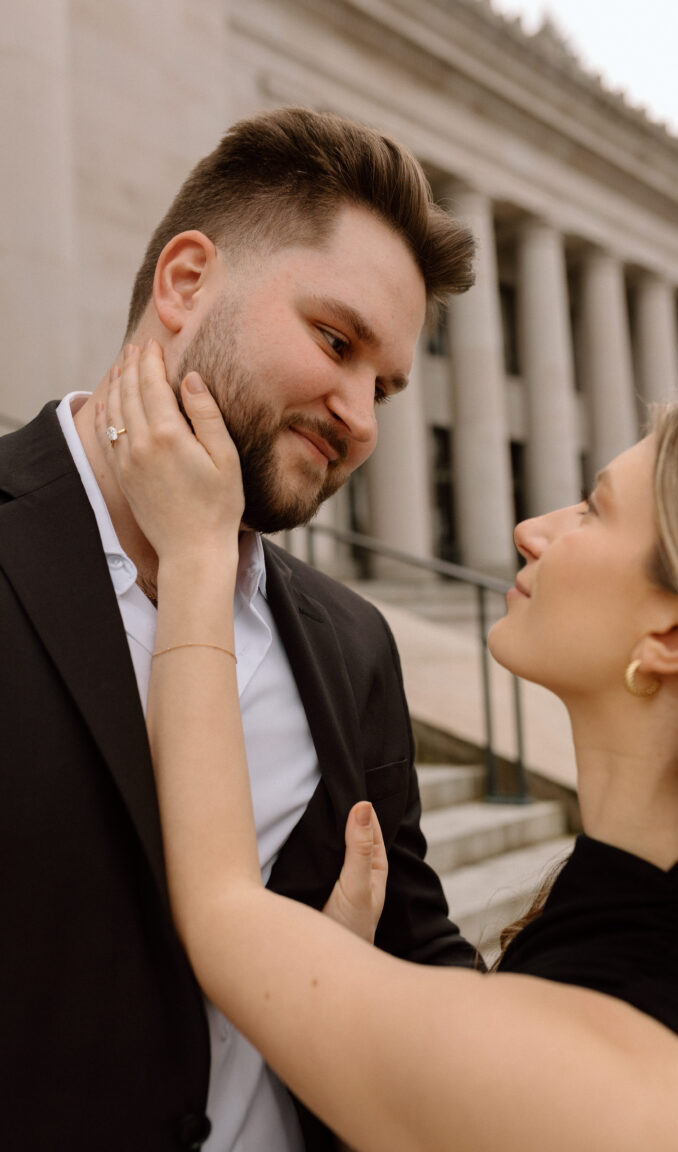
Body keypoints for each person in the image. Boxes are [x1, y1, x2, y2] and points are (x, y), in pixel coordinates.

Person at [104, 346, 678, 1152]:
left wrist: (198, 553)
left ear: (672, 633)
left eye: (593, 511)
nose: (529, 531)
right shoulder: (662, 931)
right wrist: (343, 967)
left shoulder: (616, 1072)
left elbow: (220, 906)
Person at [0, 108, 480, 1151]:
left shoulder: (351, 644)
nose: (360, 416)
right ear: (185, 283)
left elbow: (417, 947)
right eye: (335, 340)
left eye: (385, 386)